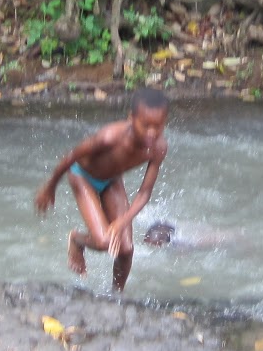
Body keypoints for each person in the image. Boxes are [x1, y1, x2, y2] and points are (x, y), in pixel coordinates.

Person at [34, 87, 169, 292]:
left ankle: (117, 296)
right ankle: (77, 240)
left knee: (126, 249)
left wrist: (122, 222)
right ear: (131, 118)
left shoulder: (158, 148)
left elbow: (144, 193)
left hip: (112, 181)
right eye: (145, 126)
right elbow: (71, 156)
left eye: (158, 127)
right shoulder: (109, 137)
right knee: (105, 240)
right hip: (82, 177)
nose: (151, 133)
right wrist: (50, 187)